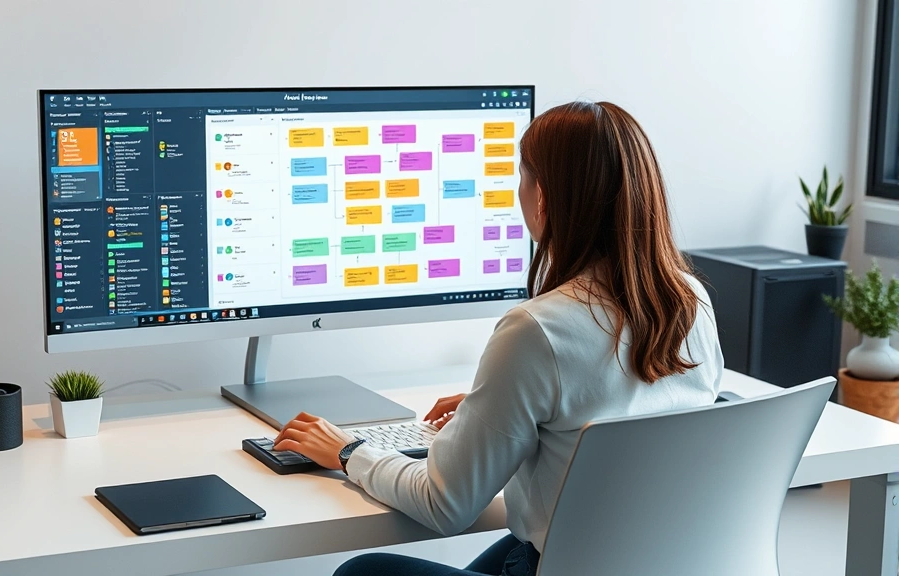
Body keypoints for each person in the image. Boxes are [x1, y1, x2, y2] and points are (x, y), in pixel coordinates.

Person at [273, 101, 725, 576]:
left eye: (522, 177)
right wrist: (510, 408)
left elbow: (444, 504)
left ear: (543, 196)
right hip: (659, 560)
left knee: (362, 572)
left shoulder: (537, 330)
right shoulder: (690, 298)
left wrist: (349, 452)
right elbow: (634, 405)